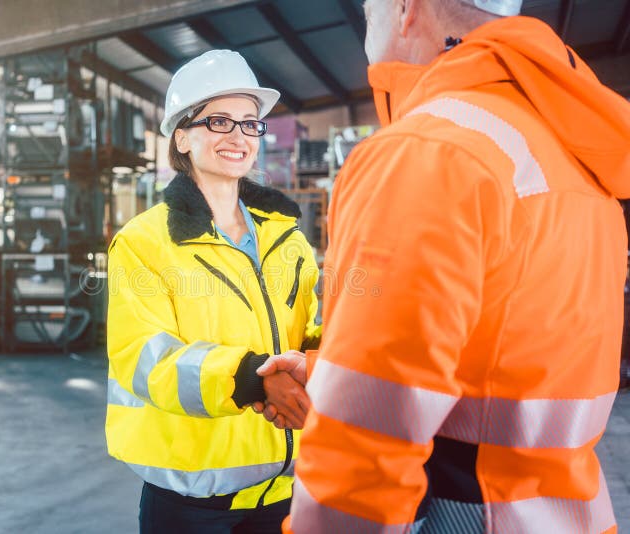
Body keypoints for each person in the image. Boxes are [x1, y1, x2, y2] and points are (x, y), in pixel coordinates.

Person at [262, 0, 630, 532]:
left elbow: (362, 449)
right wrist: (328, 374)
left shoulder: (427, 150)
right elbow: (505, 366)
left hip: (464, 516)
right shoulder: (571, 162)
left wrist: (348, 390)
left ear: (406, 9)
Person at [104, 49, 320, 534]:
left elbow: (319, 323)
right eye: (219, 120)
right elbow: (146, 358)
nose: (238, 136)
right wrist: (254, 379)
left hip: (287, 490)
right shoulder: (143, 242)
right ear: (182, 134)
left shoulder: (287, 236)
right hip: (193, 500)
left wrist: (317, 362)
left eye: (249, 123)